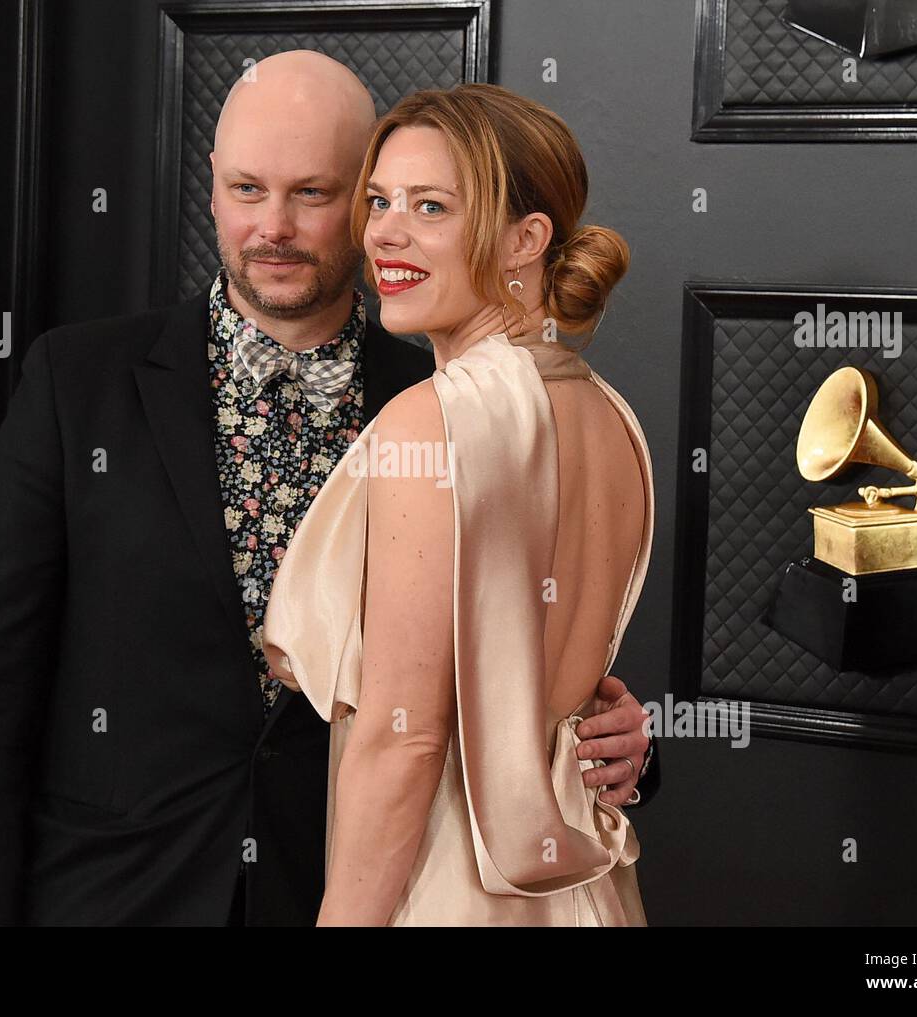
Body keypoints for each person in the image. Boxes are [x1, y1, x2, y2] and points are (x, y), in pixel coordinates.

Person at [0, 51, 657, 927]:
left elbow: (493, 661)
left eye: (315, 193)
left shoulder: (442, 402)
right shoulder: (78, 382)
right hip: (114, 894)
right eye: (248, 189)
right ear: (213, 188)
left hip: (352, 891)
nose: (275, 227)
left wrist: (614, 739)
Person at [263, 82, 656, 926]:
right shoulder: (611, 417)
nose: (384, 234)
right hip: (585, 894)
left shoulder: (431, 421)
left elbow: (402, 743)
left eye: (430, 206)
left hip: (450, 893)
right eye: (378, 201)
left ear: (527, 239)